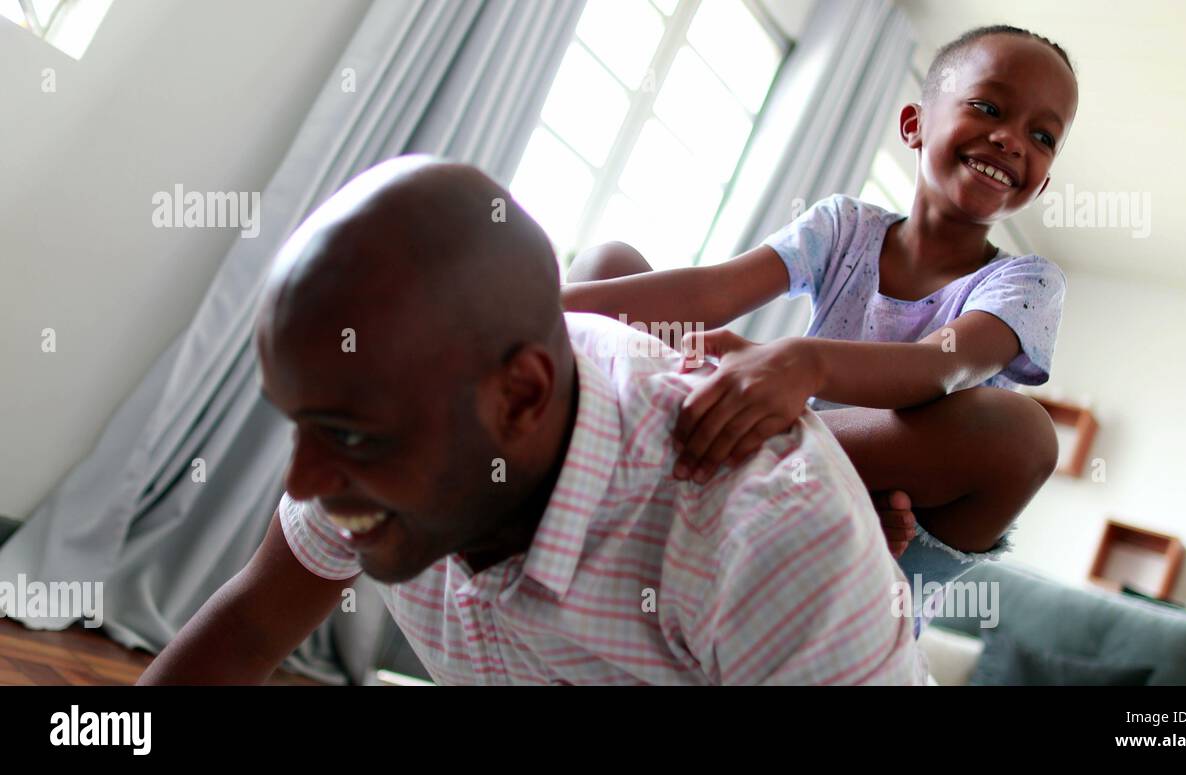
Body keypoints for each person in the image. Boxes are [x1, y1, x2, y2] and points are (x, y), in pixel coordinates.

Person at [138, 156, 925, 685]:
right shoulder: (377, 422)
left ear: (519, 396)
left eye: (350, 433)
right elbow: (249, 624)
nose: (306, 481)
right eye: (302, 422)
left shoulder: (771, 541)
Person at [562, 26, 1077, 623]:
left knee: (1022, 433)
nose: (1012, 140)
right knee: (609, 268)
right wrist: (538, 303)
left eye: (1042, 136)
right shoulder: (845, 227)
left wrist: (797, 362)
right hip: (789, 467)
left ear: (1042, 180)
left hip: (890, 544)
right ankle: (704, 462)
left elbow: (941, 365)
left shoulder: (1030, 283)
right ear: (914, 124)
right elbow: (715, 290)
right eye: (988, 106)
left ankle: (694, 450)